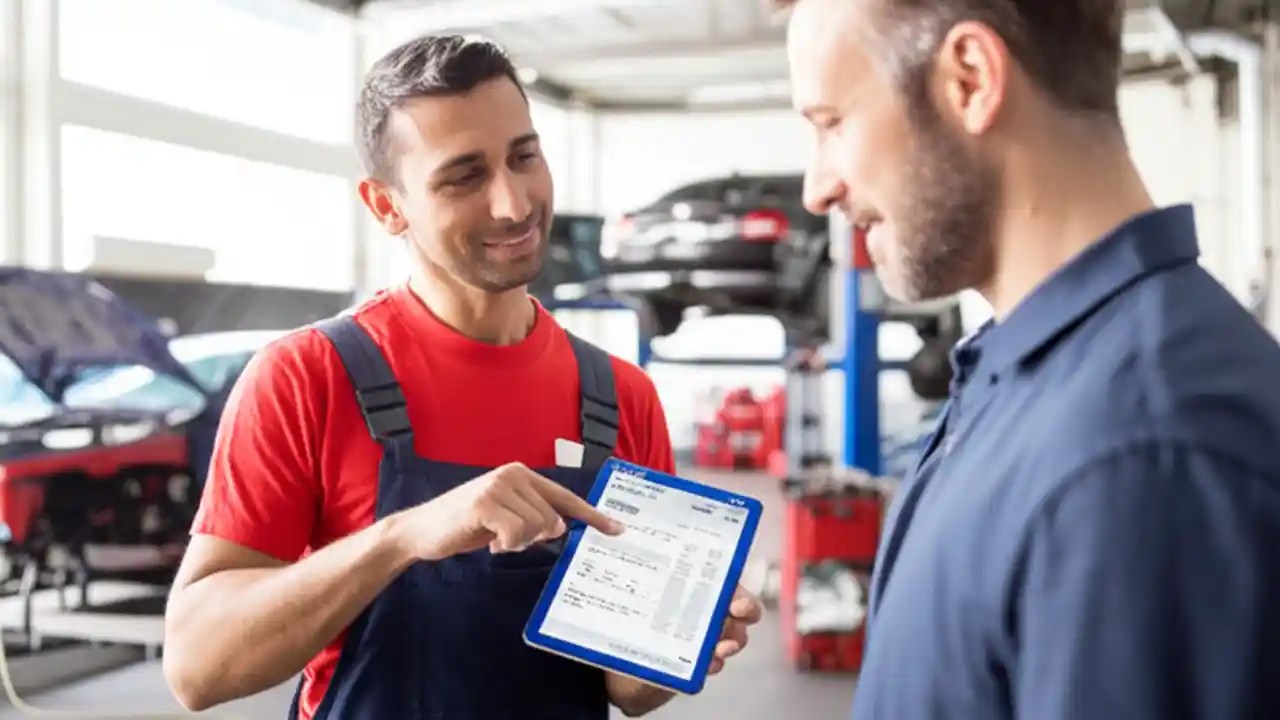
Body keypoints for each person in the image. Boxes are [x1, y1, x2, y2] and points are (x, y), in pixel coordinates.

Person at [161, 34, 761, 720]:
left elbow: (628, 693)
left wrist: (683, 636)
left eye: (524, 157)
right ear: (387, 206)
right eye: (464, 177)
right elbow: (197, 669)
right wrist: (402, 538)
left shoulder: (622, 397)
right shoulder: (305, 377)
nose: (513, 204)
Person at [777, 0, 1280, 718]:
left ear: (971, 80)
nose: (817, 187)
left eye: (831, 124)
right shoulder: (1035, 376)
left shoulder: (1142, 458)